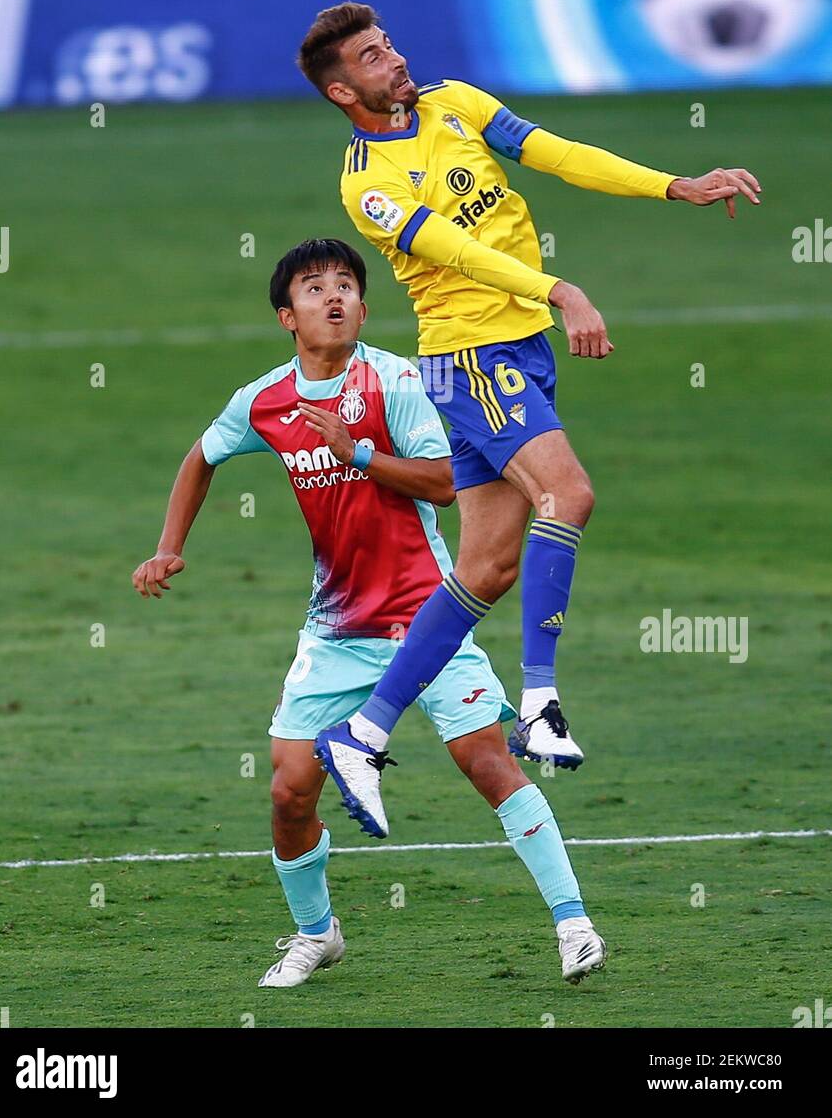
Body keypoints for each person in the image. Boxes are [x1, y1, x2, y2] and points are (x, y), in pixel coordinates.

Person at [296, 1, 761, 835]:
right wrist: (559, 288)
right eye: (373, 56)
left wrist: (672, 185)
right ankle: (540, 700)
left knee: (485, 569)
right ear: (342, 91)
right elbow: (456, 252)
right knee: (570, 496)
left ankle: (361, 735)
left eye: (391, 42)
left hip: (521, 352)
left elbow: (558, 154)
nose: (394, 59)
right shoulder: (366, 182)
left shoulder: (455, 102)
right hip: (472, 357)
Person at [131, 238, 606, 988]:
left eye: (348, 285)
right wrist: (167, 546)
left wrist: (358, 453)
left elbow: (448, 482)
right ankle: (316, 934)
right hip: (336, 632)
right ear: (289, 317)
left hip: (429, 618)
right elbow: (203, 455)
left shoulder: (399, 381)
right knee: (289, 790)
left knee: (487, 761)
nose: (335, 297)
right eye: (316, 288)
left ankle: (573, 923)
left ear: (364, 305)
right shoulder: (265, 400)